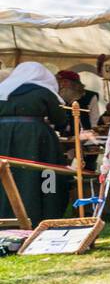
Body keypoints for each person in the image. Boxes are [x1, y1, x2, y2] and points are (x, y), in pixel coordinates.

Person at [0, 61, 69, 223]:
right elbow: (59, 119)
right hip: (36, 139)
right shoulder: (43, 91)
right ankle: (45, 213)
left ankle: (5, 216)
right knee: (48, 171)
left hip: (2, 137)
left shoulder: (2, 89)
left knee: (6, 176)